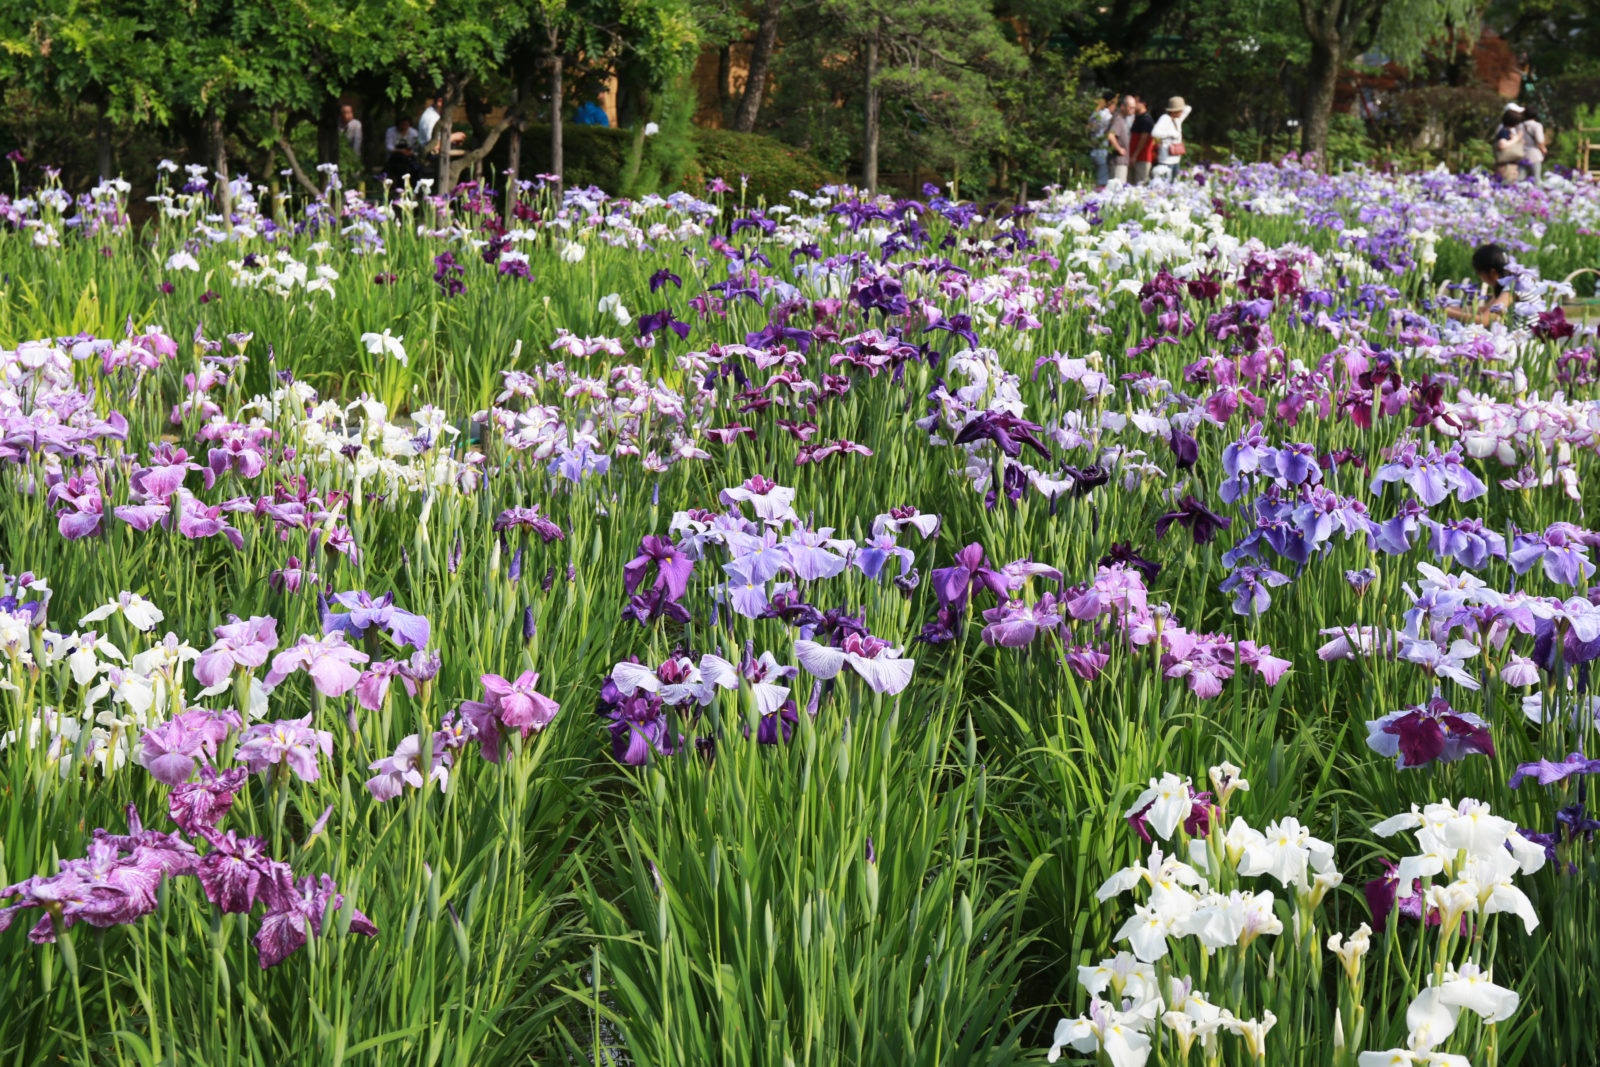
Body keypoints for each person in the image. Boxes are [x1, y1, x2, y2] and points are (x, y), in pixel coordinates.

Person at [1444, 243, 1515, 325]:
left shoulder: (1512, 287)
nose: (1480, 278)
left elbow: (1484, 320)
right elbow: (1486, 310)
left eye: (1479, 273)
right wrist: (1448, 308)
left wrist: (1446, 312)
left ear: (1492, 272)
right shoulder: (1507, 283)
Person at [1151, 96, 1191, 179]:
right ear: (1174, 112)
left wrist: (1179, 103)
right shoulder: (1165, 119)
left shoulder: (1177, 119)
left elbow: (1188, 108)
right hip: (1166, 160)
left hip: (1176, 159)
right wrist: (1171, 133)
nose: (1182, 112)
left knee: (1175, 183)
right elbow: (1154, 133)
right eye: (1180, 110)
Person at [383, 116, 424, 181]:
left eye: (406, 125)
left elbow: (416, 148)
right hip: (395, 159)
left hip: (409, 159)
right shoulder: (390, 131)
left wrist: (410, 153)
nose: (404, 127)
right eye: (402, 125)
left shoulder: (414, 133)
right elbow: (389, 147)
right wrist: (401, 151)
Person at [1086, 93, 1114, 186]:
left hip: (1093, 149)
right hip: (1103, 151)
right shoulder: (1108, 116)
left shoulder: (1095, 113)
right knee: (1103, 182)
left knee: (1095, 178)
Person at [1492, 105, 1525, 183]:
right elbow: (1502, 144)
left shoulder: (1508, 130)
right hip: (1506, 166)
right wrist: (1516, 138)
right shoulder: (1504, 130)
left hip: (1510, 165)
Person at [1129, 97, 1156, 184]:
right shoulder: (1137, 118)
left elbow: (1143, 139)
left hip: (1142, 158)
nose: (1133, 105)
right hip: (1133, 157)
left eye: (1136, 102)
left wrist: (1135, 156)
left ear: (1143, 103)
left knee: (1140, 184)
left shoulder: (1146, 119)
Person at [1107, 95, 1134, 184]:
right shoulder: (1118, 119)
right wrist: (1119, 149)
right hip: (1118, 161)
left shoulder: (1122, 119)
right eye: (1130, 108)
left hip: (1120, 161)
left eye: (1134, 108)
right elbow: (1111, 136)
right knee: (1118, 190)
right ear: (1123, 106)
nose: (1133, 110)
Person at [1518, 107, 1546, 182]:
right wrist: (1544, 150)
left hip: (1522, 153)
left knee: (1521, 178)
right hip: (1534, 154)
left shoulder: (1520, 125)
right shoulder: (1537, 125)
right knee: (1536, 178)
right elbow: (1540, 140)